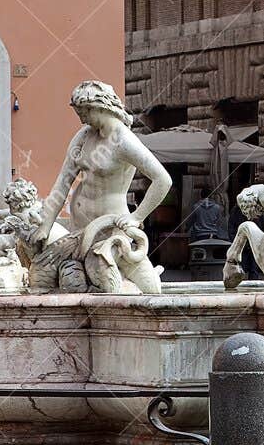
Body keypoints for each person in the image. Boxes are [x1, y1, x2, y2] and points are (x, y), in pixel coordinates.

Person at [31, 80, 171, 293]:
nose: (81, 119)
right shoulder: (84, 136)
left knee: (121, 282)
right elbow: (63, 181)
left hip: (110, 228)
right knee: (49, 272)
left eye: (83, 113)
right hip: (80, 227)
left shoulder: (123, 140)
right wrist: (46, 225)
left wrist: (137, 216)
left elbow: (163, 180)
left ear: (98, 108)